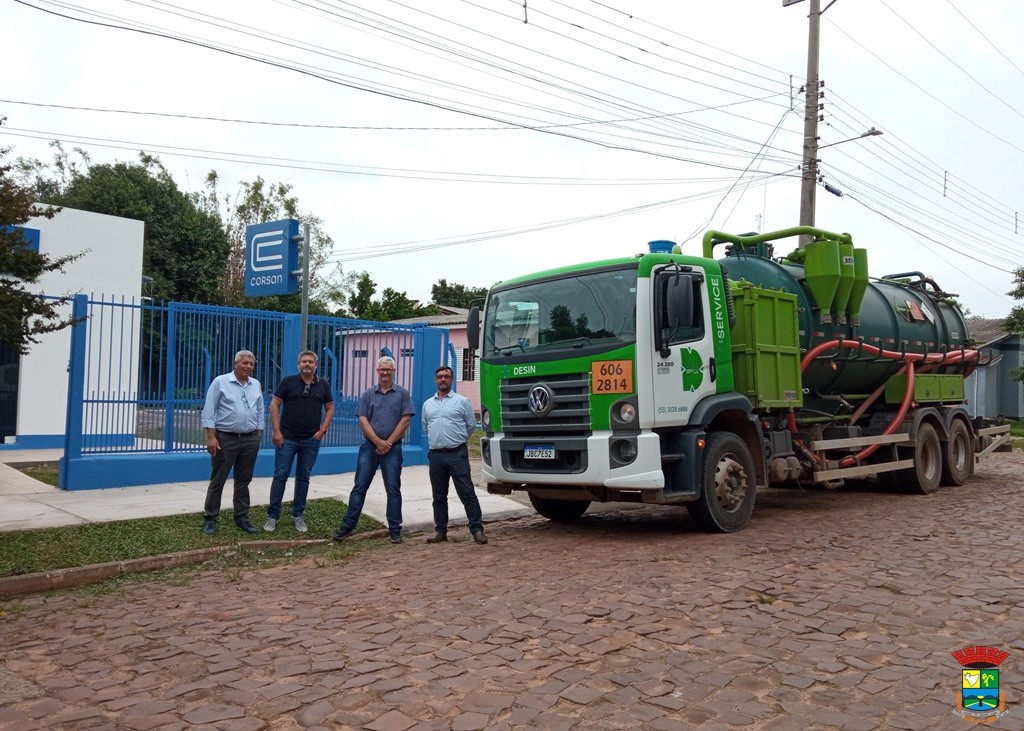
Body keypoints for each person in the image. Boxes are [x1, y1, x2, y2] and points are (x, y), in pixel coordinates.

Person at [333, 355, 414, 544]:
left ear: (394, 371)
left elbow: (406, 419)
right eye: (382, 369)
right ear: (377, 371)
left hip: (393, 448)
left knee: (393, 488)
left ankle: (395, 529)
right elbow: (363, 419)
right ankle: (347, 526)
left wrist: (388, 443)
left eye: (388, 369)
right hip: (370, 447)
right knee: (360, 486)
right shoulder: (368, 394)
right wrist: (378, 442)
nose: (385, 372)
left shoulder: (402, 394)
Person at [264, 350, 335, 533]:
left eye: (311, 361)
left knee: (304, 477)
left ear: (316, 365)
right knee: (280, 475)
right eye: (304, 361)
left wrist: (322, 430)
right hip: (287, 438)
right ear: (298, 364)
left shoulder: (323, 385)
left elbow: (330, 408)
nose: (307, 364)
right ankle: (273, 516)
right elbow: (274, 405)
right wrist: (276, 431)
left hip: (311, 440)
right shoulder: (288, 382)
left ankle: (298, 515)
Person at [421, 366, 487, 545]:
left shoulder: (462, 401)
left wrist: (457, 441)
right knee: (439, 496)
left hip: (457, 454)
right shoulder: (428, 404)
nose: (443, 379)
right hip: (436, 455)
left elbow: (471, 425)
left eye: (447, 376)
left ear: (451, 379)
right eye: (440, 376)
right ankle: (440, 531)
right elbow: (425, 426)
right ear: (435, 379)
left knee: (467, 492)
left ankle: (477, 529)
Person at [201, 350, 264, 535]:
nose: (248, 367)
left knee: (244, 480)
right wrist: (211, 436)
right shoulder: (221, 382)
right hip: (225, 439)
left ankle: (242, 517)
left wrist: (258, 431)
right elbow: (209, 410)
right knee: (218, 479)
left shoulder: (255, 385)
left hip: (250, 439)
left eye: (251, 364)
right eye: (245, 363)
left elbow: (260, 409)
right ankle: (210, 519)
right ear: (235, 363)